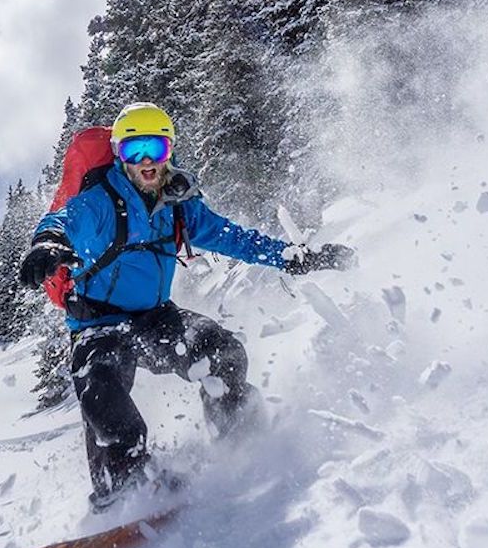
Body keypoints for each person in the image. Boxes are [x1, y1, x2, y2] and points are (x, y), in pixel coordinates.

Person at [19, 102, 355, 511]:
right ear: (120, 155)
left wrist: (292, 258)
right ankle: (119, 498)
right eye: (135, 150)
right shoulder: (100, 202)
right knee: (109, 406)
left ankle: (241, 446)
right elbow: (62, 221)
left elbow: (232, 237)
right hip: (98, 326)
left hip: (155, 319)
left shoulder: (178, 204)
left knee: (224, 354)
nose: (146, 162)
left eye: (156, 149)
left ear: (170, 151)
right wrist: (48, 244)